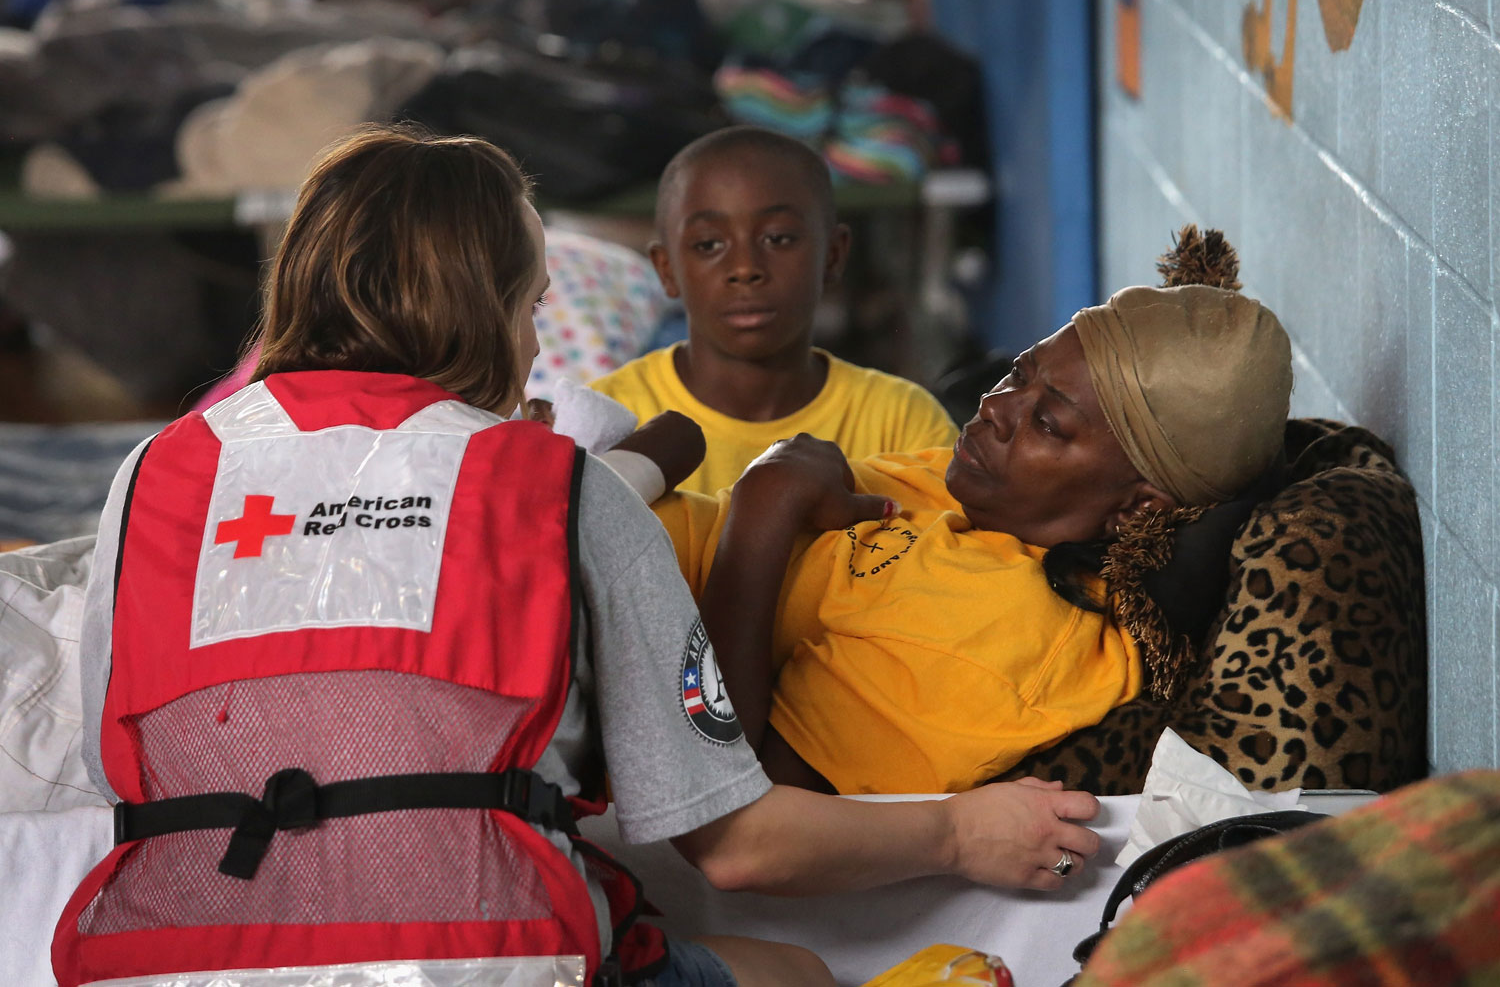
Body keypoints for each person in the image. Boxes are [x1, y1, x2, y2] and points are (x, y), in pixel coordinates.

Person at [51, 125, 1104, 987]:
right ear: (492, 307)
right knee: (795, 973)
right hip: (487, 961)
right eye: (534, 301)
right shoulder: (563, 488)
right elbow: (738, 844)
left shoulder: (156, 472)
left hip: (160, 958)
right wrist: (963, 835)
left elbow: (127, 765)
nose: (536, 334)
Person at [655, 282, 1294, 796]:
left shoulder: (1011, 632)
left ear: (1135, 509)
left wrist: (760, 515)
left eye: (1048, 421)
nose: (996, 404)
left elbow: (736, 801)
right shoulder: (978, 491)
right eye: (1020, 372)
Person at [590, 125, 958, 496]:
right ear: (667, 269)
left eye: (778, 238)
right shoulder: (609, 425)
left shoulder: (903, 424)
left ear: (833, 254)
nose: (745, 267)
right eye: (708, 244)